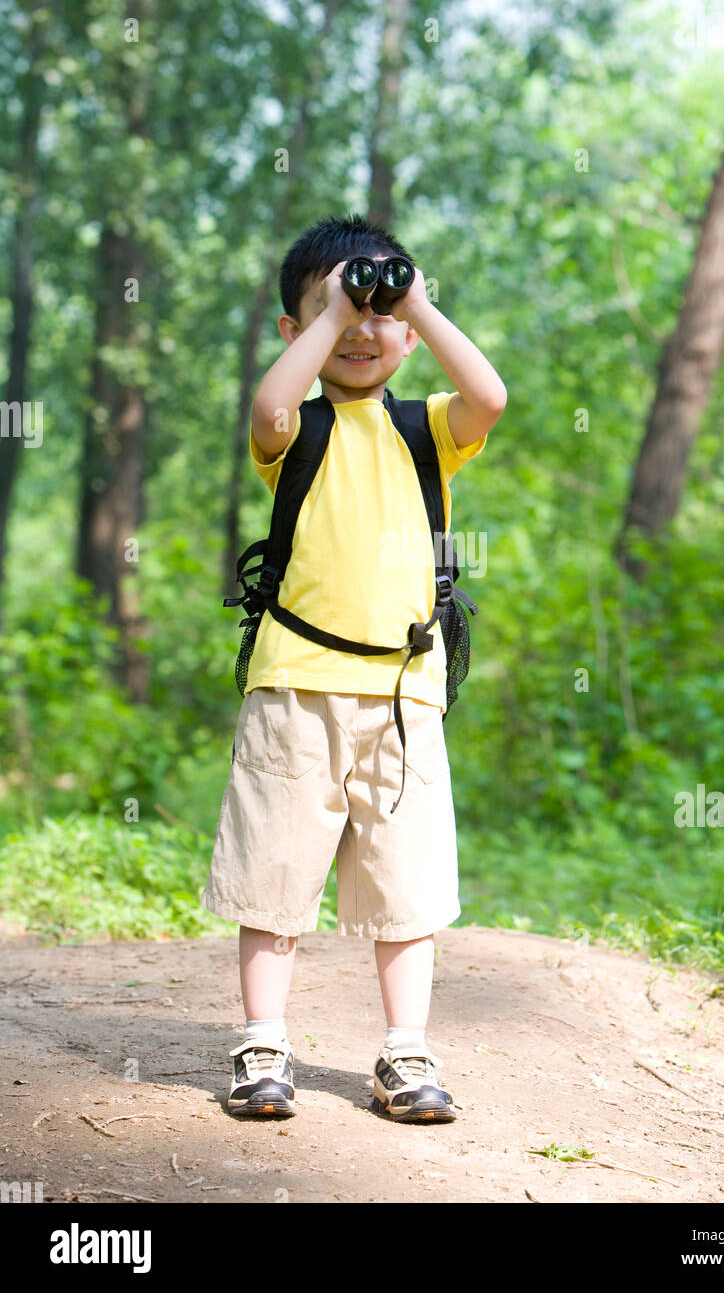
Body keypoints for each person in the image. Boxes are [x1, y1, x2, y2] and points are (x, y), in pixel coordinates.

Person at [201, 212, 506, 1123]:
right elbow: (266, 409)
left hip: (405, 695)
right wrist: (337, 311)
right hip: (297, 683)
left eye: (385, 316)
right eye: (337, 311)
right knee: (275, 875)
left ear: (410, 332)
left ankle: (404, 1054)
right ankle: (264, 1043)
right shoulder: (299, 433)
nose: (365, 331)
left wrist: (411, 298)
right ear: (298, 330)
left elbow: (488, 395)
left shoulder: (428, 431)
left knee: (406, 887)